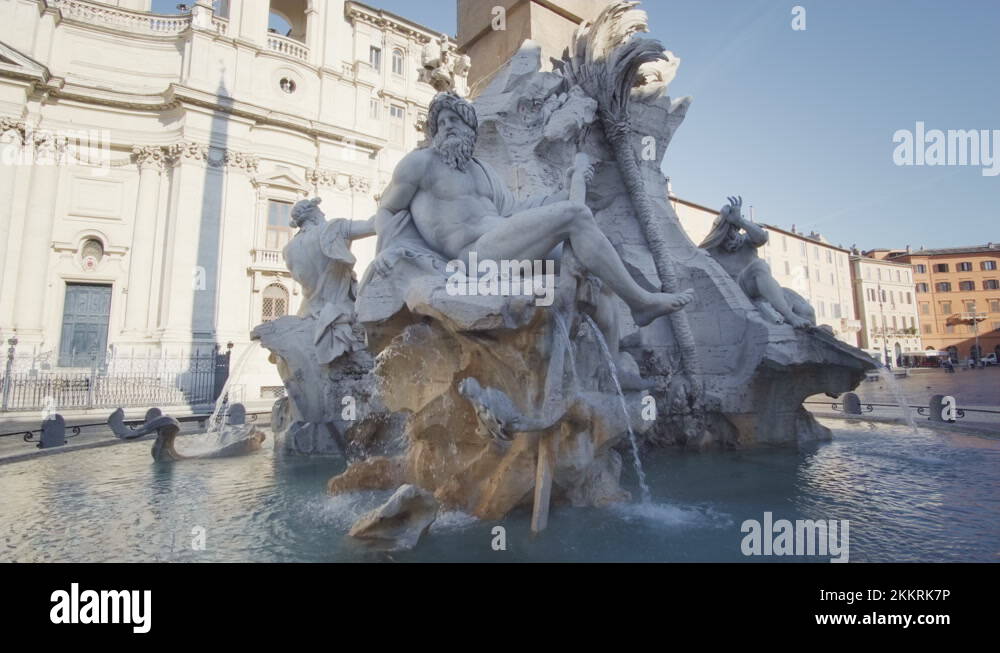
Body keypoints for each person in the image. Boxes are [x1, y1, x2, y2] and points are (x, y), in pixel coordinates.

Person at [369, 91, 694, 328]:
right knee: (576, 216)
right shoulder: (420, 163)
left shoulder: (484, 171)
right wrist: (387, 252)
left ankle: (603, 373)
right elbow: (388, 210)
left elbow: (515, 211)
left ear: (471, 129)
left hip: (504, 248)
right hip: (472, 260)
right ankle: (641, 301)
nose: (448, 126)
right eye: (441, 123)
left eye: (455, 120)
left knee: (597, 279)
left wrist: (565, 190)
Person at [700, 196, 815, 329]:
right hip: (741, 292)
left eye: (734, 229)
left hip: (768, 291)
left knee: (807, 311)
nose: (731, 234)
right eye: (727, 229)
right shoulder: (711, 252)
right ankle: (790, 316)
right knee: (758, 266)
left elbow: (762, 237)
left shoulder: (746, 241)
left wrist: (740, 220)